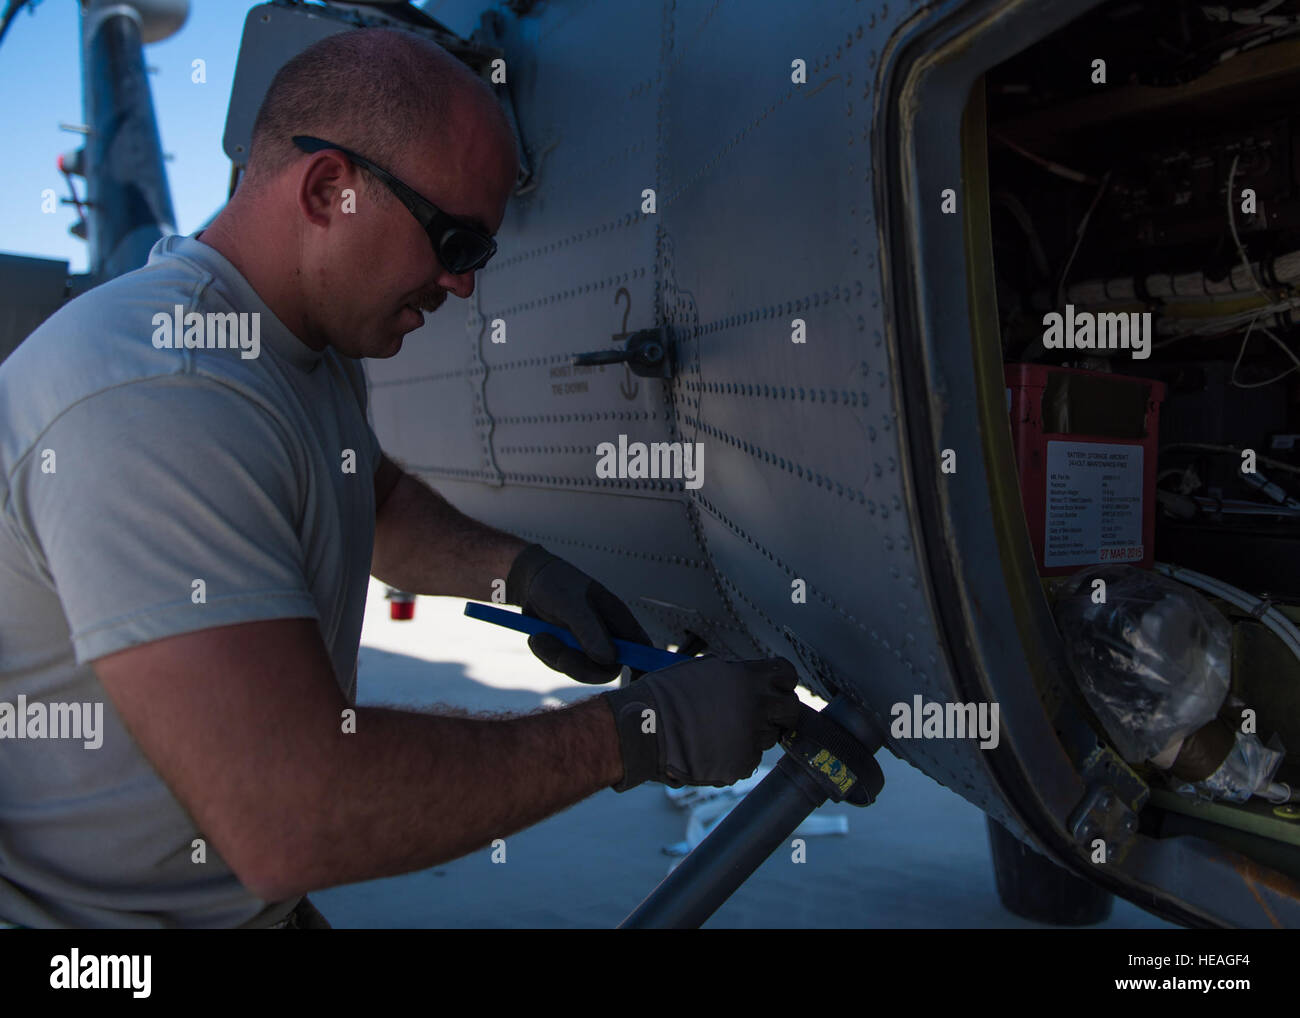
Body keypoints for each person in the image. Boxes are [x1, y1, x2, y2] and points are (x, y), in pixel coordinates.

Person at [0, 26, 800, 928]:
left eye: (481, 255)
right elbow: (292, 814)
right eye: (455, 241)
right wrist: (634, 735)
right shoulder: (158, 394)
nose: (464, 288)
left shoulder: (302, 343)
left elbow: (370, 497)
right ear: (328, 189)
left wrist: (521, 573)